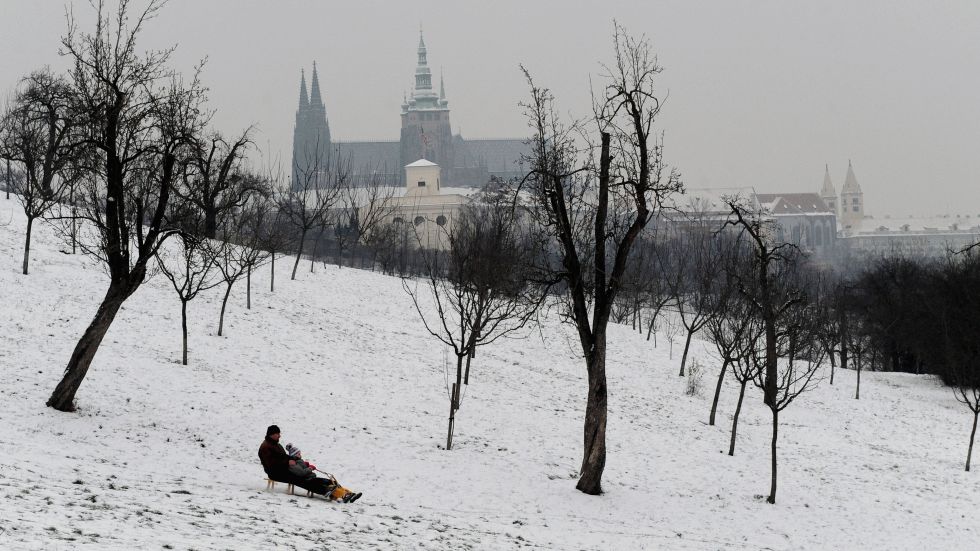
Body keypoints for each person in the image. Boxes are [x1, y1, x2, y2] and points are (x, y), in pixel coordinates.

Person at [258, 425, 361, 503]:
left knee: (309, 478)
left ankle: (344, 493)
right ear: (272, 434)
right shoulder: (265, 447)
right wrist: (287, 462)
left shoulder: (276, 444)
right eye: (278, 434)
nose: (280, 435)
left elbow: (284, 457)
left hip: (284, 469)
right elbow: (271, 464)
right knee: (302, 480)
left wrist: (293, 458)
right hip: (276, 473)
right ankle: (325, 490)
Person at [284, 443, 361, 503]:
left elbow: (303, 467)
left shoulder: (298, 461)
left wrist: (307, 465)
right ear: (294, 455)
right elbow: (301, 473)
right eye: (298, 454)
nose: (300, 455)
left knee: (331, 481)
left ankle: (349, 493)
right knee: (328, 486)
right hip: (308, 479)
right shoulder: (292, 463)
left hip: (311, 477)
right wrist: (310, 468)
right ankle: (344, 495)